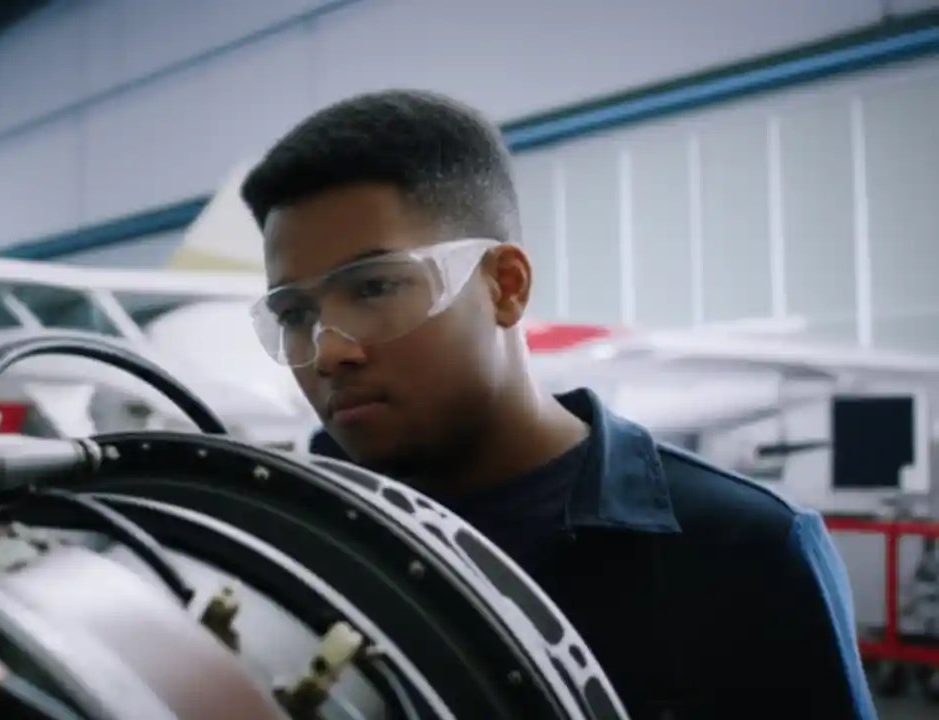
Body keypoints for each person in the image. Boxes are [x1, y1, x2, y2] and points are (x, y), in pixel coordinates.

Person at [240, 89, 876, 719]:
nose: (327, 354)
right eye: (295, 313)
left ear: (505, 286)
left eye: (374, 287)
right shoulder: (287, 539)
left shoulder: (744, 553)